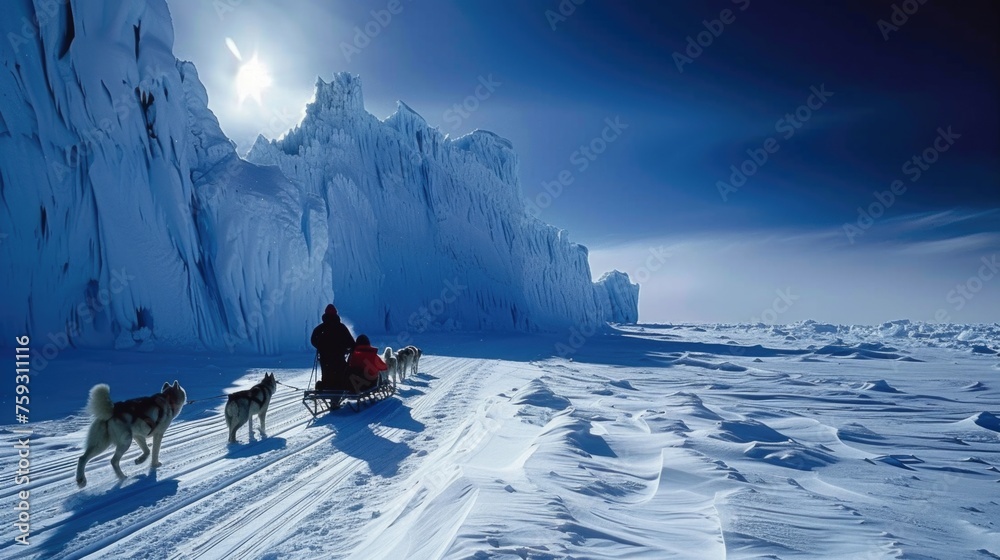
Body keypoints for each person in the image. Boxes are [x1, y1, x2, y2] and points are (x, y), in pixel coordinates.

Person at [311, 304, 355, 391]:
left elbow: (313, 340)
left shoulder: (320, 328)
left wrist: (320, 347)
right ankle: (340, 386)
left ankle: (327, 386)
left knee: (326, 372)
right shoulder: (341, 328)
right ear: (336, 314)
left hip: (324, 358)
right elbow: (351, 343)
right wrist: (347, 349)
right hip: (339, 356)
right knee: (340, 371)